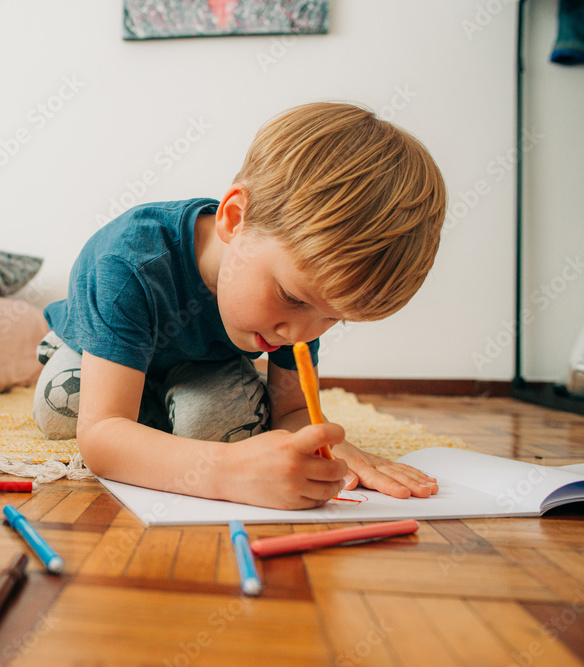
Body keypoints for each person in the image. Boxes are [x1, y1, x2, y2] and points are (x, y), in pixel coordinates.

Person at [33, 102, 446, 510]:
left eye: (333, 318)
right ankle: (99, 371)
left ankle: (155, 409)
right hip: (99, 345)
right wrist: (228, 472)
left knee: (217, 428)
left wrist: (331, 445)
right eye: (293, 298)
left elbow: (295, 409)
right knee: (58, 409)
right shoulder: (128, 263)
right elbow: (99, 437)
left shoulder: (300, 309)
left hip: (200, 364)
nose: (302, 334)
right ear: (234, 218)